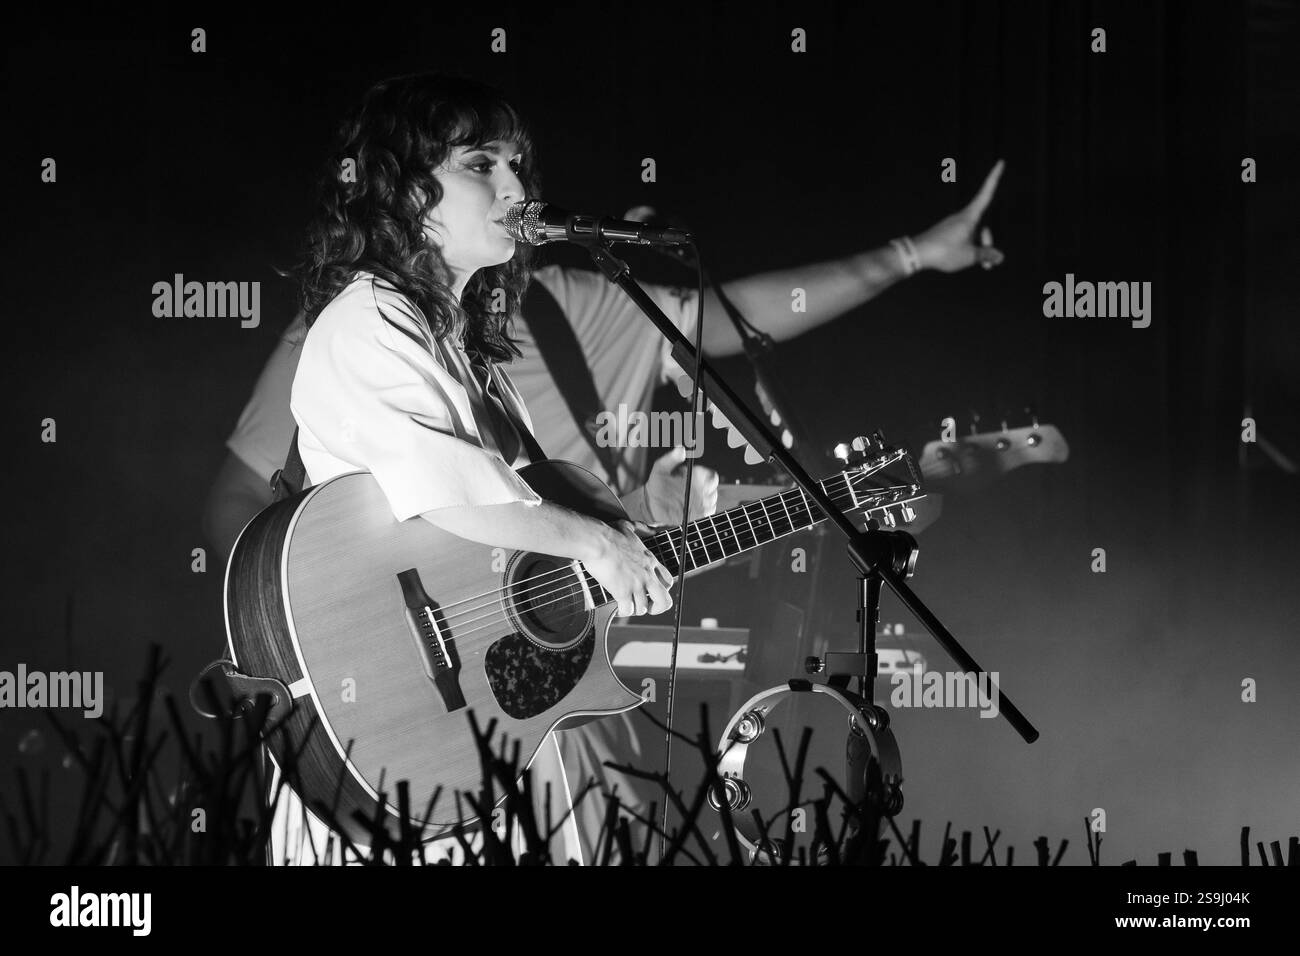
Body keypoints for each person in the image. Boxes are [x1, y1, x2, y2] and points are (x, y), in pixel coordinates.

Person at [205, 72, 1005, 864]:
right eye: (480, 164)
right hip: (386, 720)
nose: (515, 183)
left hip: (479, 737)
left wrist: (626, 526)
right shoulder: (367, 318)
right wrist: (600, 544)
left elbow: (498, 544)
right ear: (402, 191)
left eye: (517, 164)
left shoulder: (467, 348)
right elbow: (443, 494)